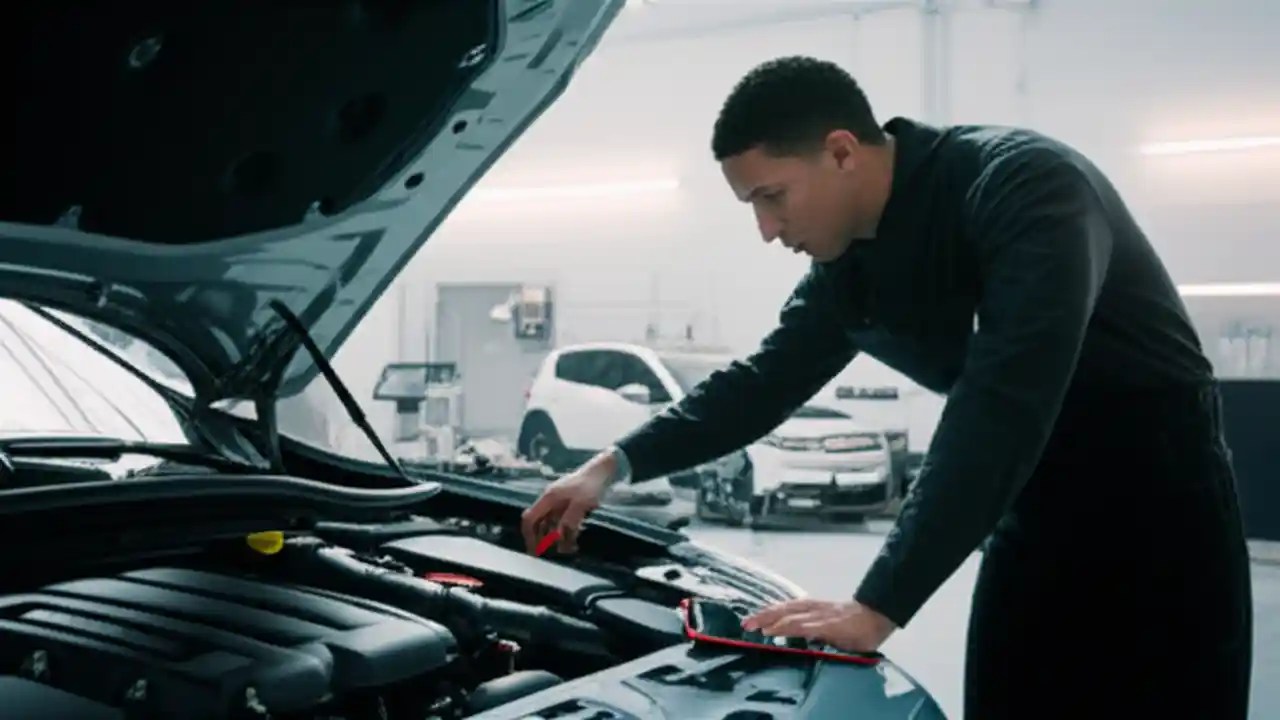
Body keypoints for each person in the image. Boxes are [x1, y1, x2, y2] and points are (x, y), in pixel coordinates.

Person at [520, 56, 1253, 717]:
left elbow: (1002, 401)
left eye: (773, 196)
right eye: (752, 206)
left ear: (841, 151)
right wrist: (611, 465)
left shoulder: (1027, 187)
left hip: (1157, 509)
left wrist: (878, 603)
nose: (767, 230)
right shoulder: (850, 267)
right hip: (1031, 511)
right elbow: (763, 382)